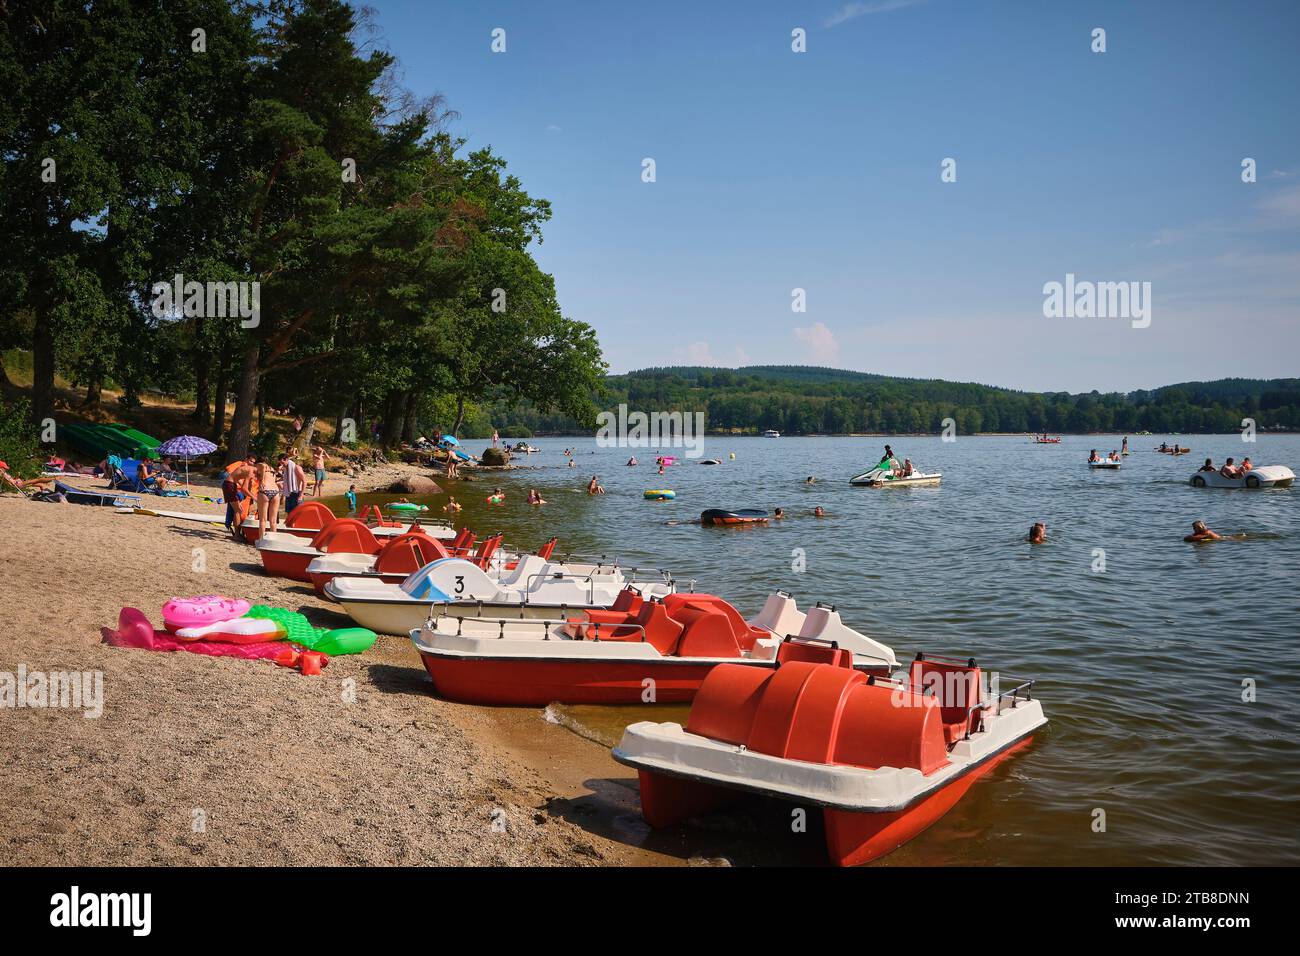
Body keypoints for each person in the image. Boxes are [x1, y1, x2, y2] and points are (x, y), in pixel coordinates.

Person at [255, 455, 281, 537]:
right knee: (273, 520)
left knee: (263, 520)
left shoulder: (261, 465)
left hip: (265, 491)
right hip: (275, 492)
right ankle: (273, 540)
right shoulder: (271, 468)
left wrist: (261, 481)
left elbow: (262, 467)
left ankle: (261, 539)